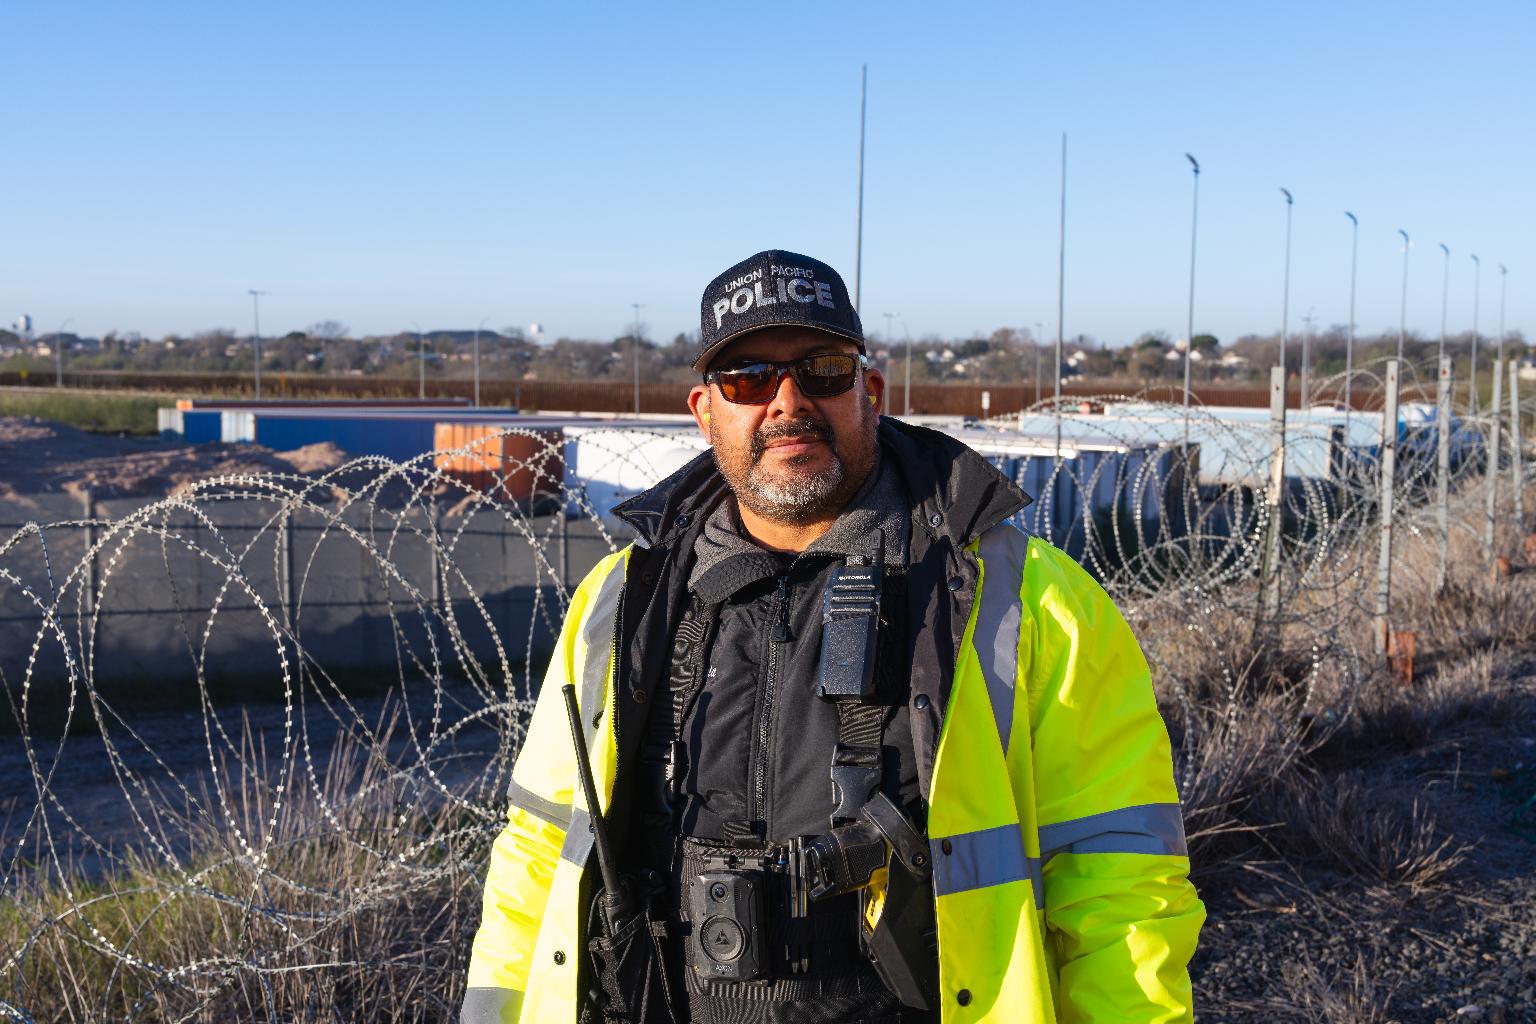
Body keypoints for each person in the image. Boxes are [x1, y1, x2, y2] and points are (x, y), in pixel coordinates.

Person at [463, 250, 1204, 1024]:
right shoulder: (622, 599)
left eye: (821, 370)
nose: (787, 402)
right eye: (749, 378)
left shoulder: (1029, 601)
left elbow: (1122, 887)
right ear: (704, 411)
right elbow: (538, 851)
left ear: (869, 393)